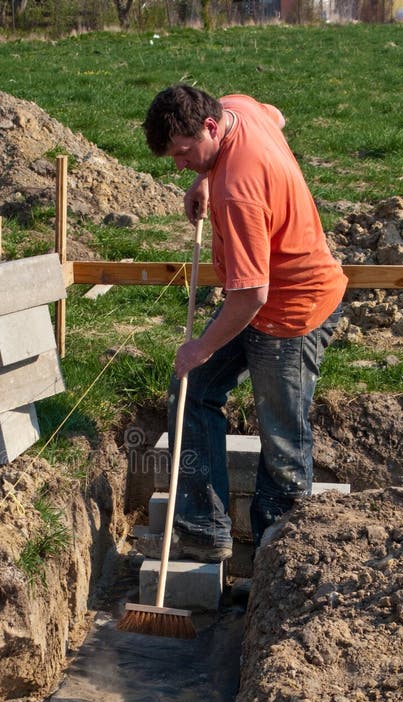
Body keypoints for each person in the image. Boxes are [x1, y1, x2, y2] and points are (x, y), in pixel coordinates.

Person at [142, 85, 347, 562]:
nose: (179, 166)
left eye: (185, 154)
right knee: (190, 390)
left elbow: (251, 296)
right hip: (259, 297)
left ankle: (276, 557)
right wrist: (204, 175)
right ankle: (204, 530)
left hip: (293, 309)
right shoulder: (236, 110)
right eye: (174, 157)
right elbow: (274, 115)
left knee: (280, 435)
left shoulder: (238, 191)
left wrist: (200, 348)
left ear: (210, 128)